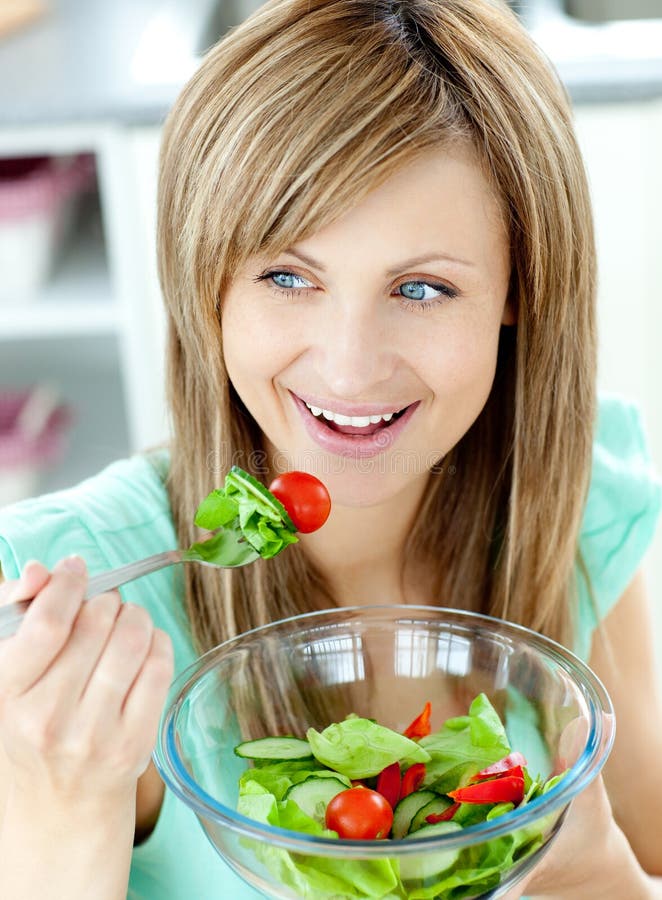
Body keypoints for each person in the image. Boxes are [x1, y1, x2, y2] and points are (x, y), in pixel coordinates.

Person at [0, 0, 660, 897]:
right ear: (206, 284)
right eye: (286, 276)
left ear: (520, 289)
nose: (350, 369)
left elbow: (645, 841)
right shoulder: (56, 633)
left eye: (422, 288)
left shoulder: (578, 496)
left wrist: (593, 872)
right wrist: (64, 810)